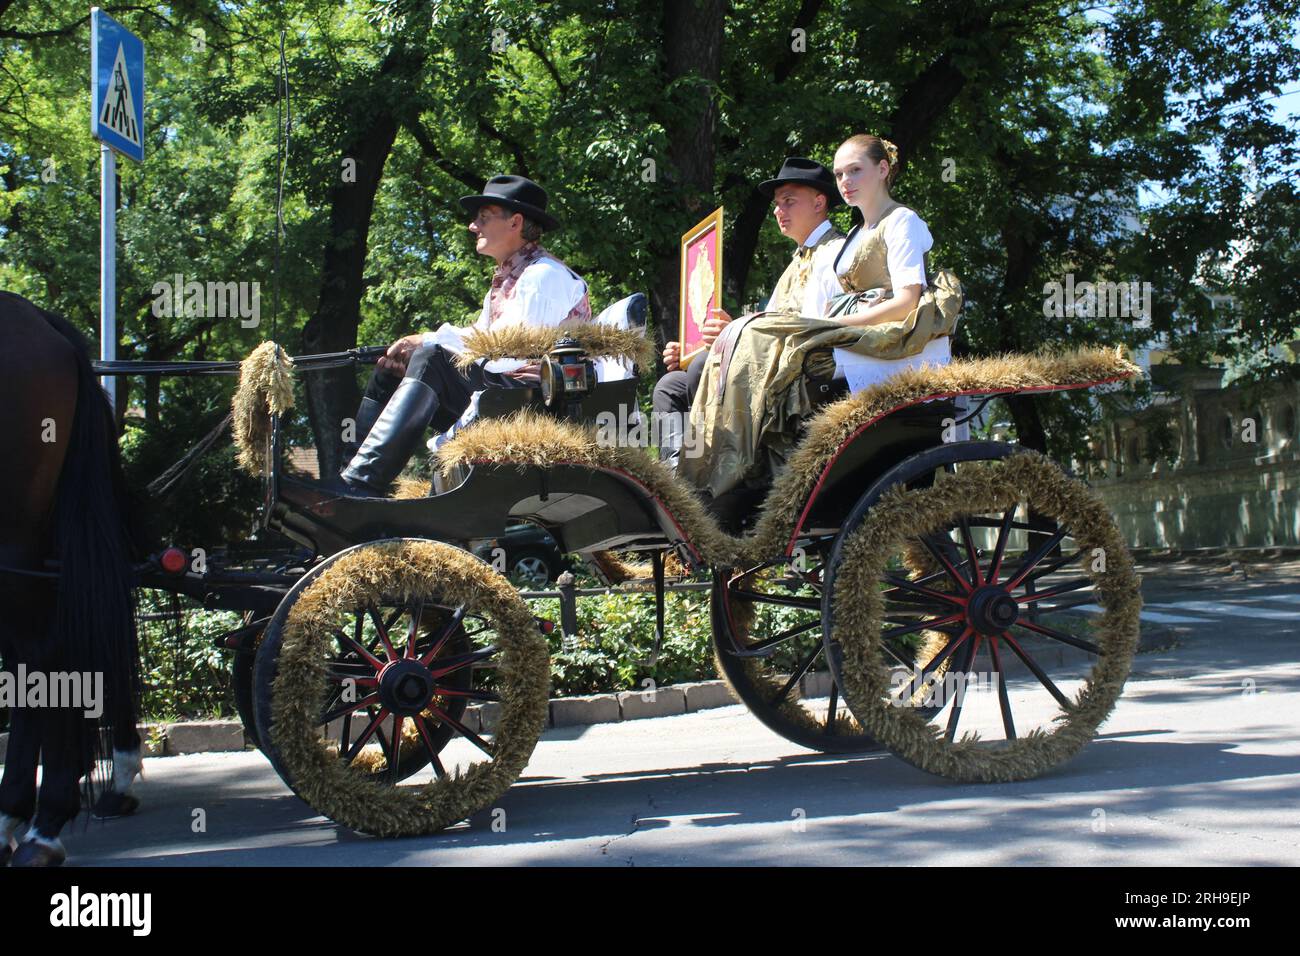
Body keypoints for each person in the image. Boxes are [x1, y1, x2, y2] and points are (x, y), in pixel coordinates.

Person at [679, 134, 962, 505]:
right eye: (841, 174)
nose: (846, 181)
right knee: (751, 332)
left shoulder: (901, 221)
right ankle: (722, 466)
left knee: (760, 333)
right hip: (854, 328)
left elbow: (907, 300)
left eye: (856, 171)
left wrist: (838, 327)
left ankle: (737, 467)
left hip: (891, 333)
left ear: (883, 169)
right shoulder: (858, 234)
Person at [332, 175, 590, 496]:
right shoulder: (512, 277)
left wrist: (428, 340)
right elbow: (483, 342)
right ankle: (347, 476)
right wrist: (419, 350)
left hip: (532, 404)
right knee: (391, 371)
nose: (473, 226)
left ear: (516, 222)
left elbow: (505, 354)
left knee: (432, 357)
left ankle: (360, 485)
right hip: (503, 395)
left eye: (483, 218)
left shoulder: (543, 276)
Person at [653, 157, 844, 470]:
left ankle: (720, 471)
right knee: (670, 384)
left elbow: (808, 328)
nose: (778, 211)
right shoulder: (796, 261)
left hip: (804, 371)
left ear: (819, 202)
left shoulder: (834, 254)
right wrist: (698, 346)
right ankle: (677, 476)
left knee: (703, 367)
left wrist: (735, 333)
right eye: (776, 204)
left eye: (788, 202)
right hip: (775, 363)